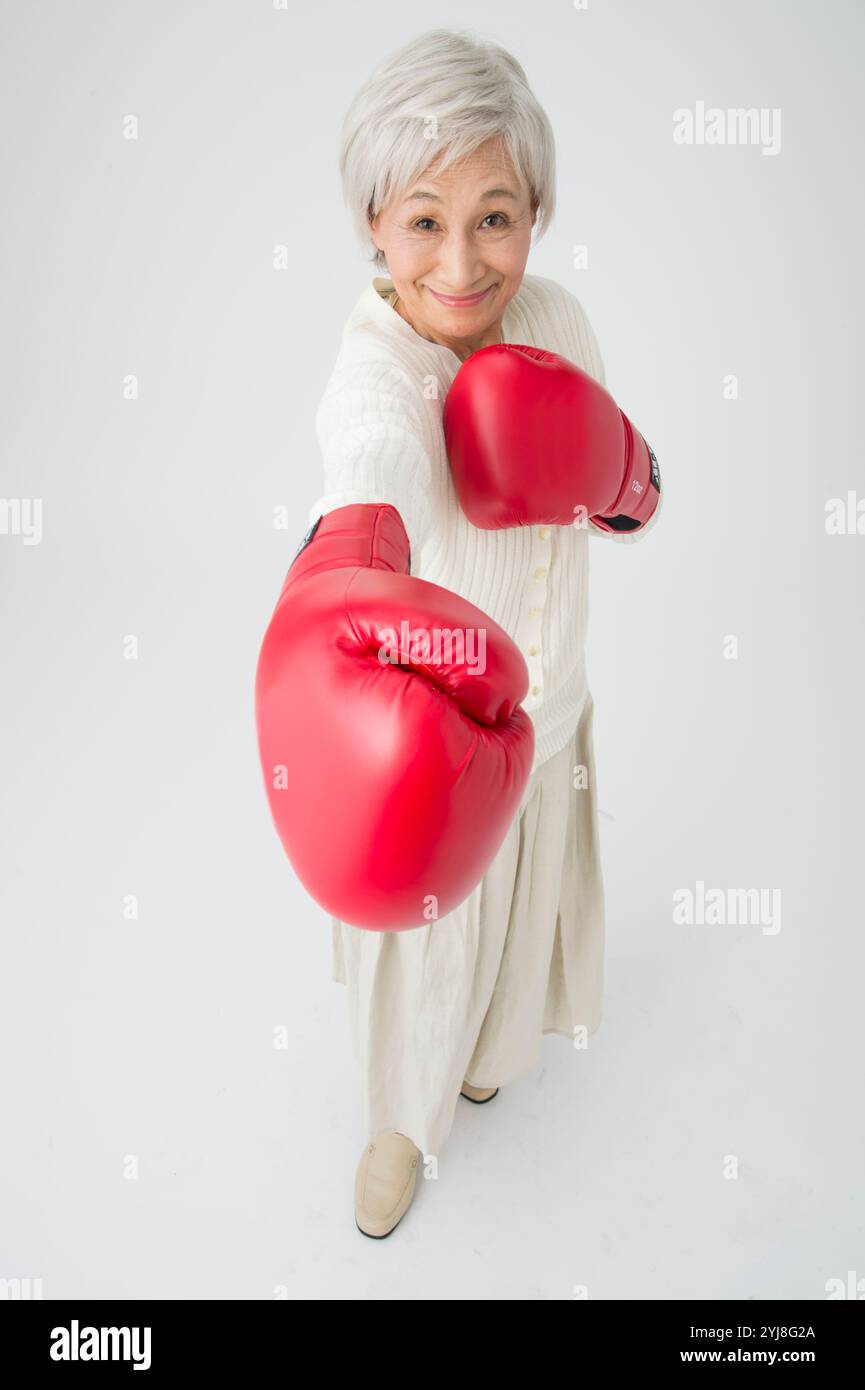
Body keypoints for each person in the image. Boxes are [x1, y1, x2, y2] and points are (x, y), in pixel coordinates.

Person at [306, 27, 662, 1237]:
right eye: (422, 221)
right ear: (371, 223)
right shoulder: (383, 365)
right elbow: (372, 458)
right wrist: (348, 548)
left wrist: (623, 478)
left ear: (539, 212)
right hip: (437, 742)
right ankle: (398, 1124)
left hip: (549, 707)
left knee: (512, 930)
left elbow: (623, 495)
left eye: (495, 217)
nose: (460, 262)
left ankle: (484, 1054)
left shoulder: (558, 321)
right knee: (429, 931)